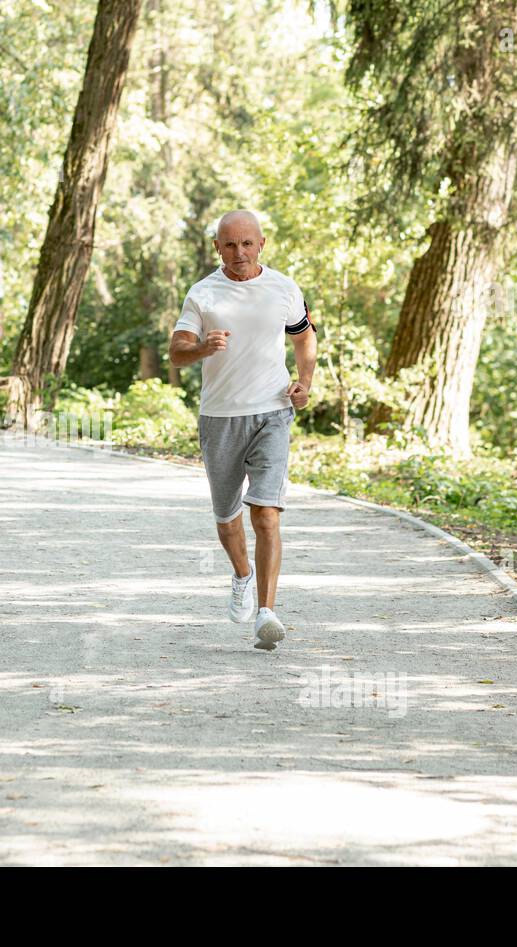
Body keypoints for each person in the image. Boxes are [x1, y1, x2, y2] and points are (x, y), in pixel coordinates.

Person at [168, 210, 318, 650]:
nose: (239, 253)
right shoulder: (203, 293)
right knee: (227, 518)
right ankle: (242, 576)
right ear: (217, 247)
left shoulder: (283, 288)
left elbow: (304, 339)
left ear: (262, 244)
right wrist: (201, 348)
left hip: (273, 410)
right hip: (220, 417)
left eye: (247, 244)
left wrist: (304, 383)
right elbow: (176, 353)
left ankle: (267, 613)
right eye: (230, 245)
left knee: (266, 513)